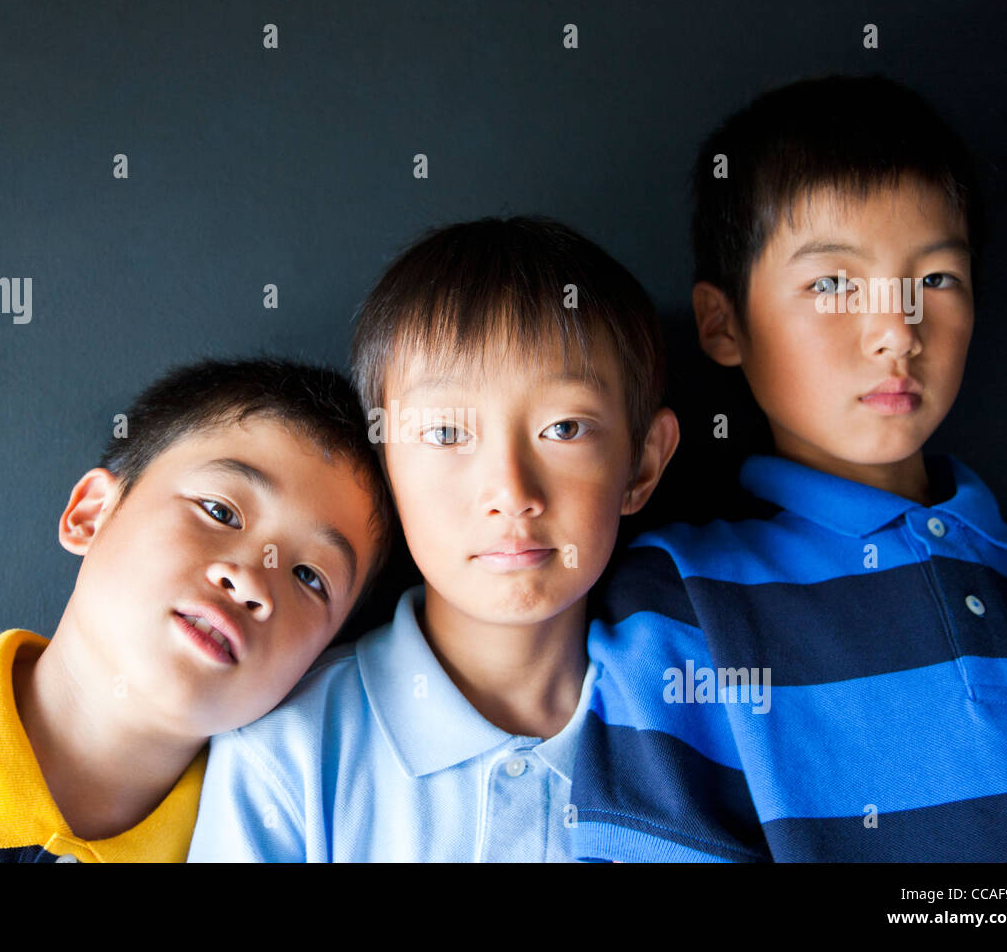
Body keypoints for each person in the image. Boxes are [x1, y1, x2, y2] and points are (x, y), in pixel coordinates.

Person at [570, 74, 1007, 862]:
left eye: (935, 279)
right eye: (834, 283)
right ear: (722, 322)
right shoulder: (681, 599)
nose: (896, 332)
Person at [189, 217, 678, 861]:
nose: (509, 491)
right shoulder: (289, 754)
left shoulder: (700, 721)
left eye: (563, 428)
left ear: (641, 465)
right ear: (384, 467)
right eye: (447, 434)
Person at [0, 358, 391, 862]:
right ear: (91, 514)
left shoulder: (255, 845)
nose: (251, 580)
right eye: (220, 511)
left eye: (309, 577)